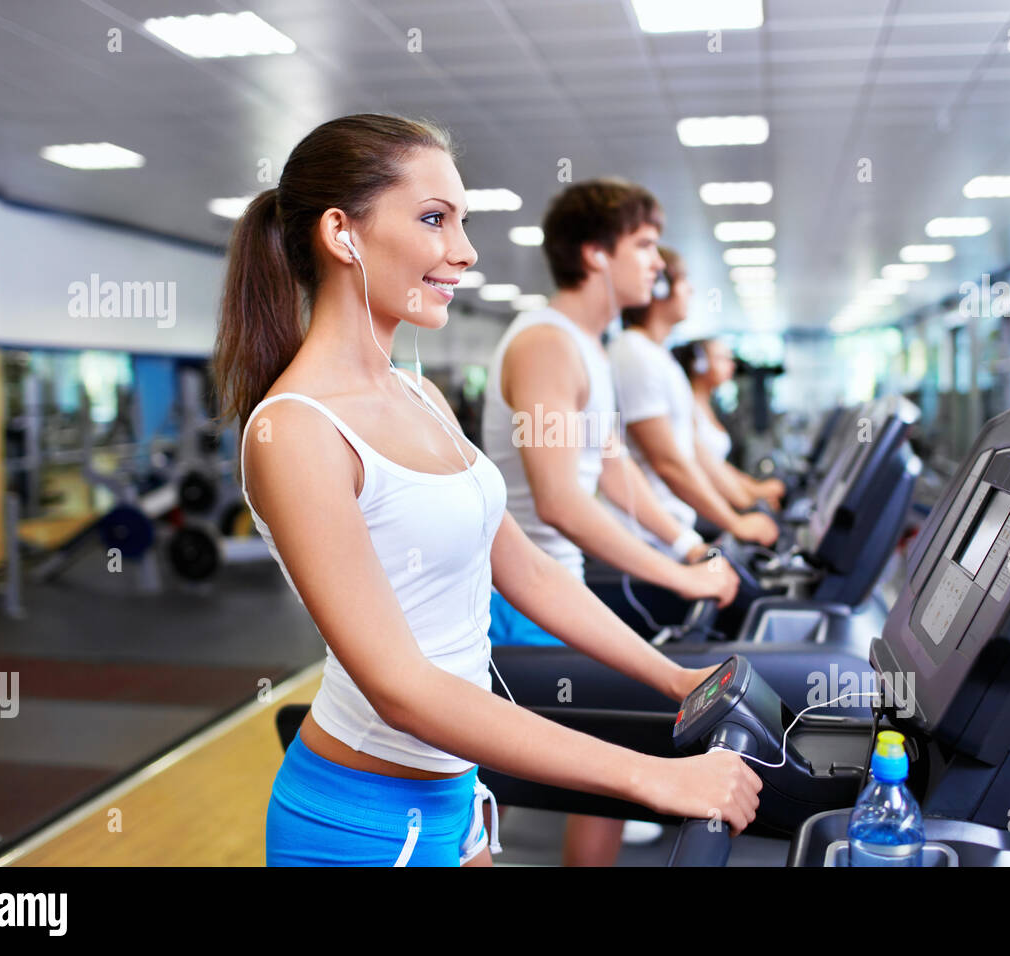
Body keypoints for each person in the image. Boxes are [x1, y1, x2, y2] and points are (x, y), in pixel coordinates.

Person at [212, 114, 760, 867]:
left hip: (456, 798)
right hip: (361, 824)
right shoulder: (295, 431)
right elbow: (403, 688)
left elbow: (526, 567)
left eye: (461, 222)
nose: (464, 252)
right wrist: (652, 779)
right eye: (436, 219)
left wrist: (673, 677)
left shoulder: (422, 397)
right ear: (342, 234)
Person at [482, 179, 740, 866]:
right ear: (596, 253)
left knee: (517, 781)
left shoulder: (587, 345)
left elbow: (612, 468)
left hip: (550, 587)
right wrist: (681, 580)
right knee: (579, 763)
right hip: (515, 597)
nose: (658, 263)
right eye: (645, 245)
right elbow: (561, 500)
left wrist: (689, 547)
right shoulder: (546, 345)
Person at [609, 247, 780, 550]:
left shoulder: (659, 357)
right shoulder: (634, 354)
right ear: (659, 287)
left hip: (669, 530)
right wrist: (736, 521)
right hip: (644, 537)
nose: (692, 289)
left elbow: (696, 453)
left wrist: (748, 497)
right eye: (684, 280)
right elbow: (668, 463)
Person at [673, 338, 786, 512]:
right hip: (701, 506)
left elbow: (720, 465)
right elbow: (708, 467)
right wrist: (751, 499)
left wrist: (755, 489)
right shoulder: (687, 408)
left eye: (730, 359)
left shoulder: (710, 407)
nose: (731, 365)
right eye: (721, 359)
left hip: (717, 498)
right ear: (699, 364)